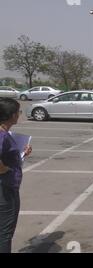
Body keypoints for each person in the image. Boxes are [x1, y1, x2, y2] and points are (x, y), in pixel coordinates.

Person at [0, 98, 32, 253]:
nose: (19, 114)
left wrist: (21, 154)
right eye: (18, 112)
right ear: (11, 115)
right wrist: (4, 170)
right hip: (5, 189)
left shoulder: (5, 132)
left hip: (7, 186)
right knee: (5, 232)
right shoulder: (2, 134)